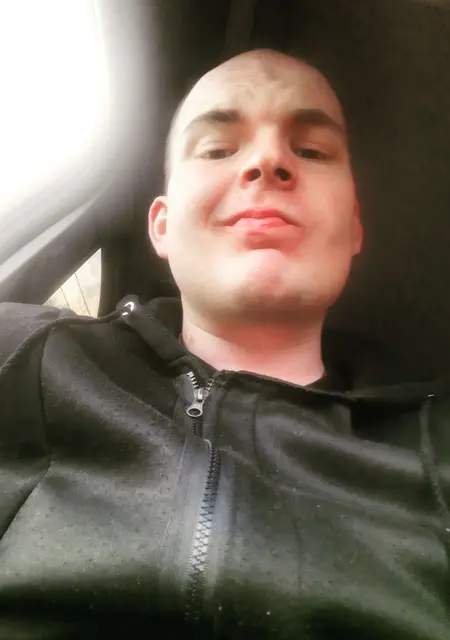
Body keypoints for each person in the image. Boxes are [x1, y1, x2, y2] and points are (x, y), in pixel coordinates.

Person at [0, 48, 449, 639]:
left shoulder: (437, 445)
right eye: (216, 150)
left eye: (312, 151)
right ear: (162, 225)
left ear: (354, 227)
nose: (268, 160)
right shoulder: (23, 352)